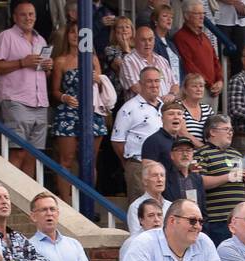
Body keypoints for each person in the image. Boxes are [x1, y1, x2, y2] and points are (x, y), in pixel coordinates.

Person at [0, 1, 53, 181]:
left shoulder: (41, 40)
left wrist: (48, 67)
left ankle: (27, 194)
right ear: (15, 17)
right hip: (16, 100)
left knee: (34, 155)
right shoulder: (6, 36)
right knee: (17, 151)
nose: (28, 18)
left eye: (31, 14)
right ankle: (9, 189)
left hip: (40, 101)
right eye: (23, 14)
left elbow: (43, 73)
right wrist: (22, 62)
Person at [49, 17, 105, 202]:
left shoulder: (93, 59)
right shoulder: (60, 61)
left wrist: (98, 80)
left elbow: (102, 86)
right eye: (72, 32)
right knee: (66, 159)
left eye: (79, 32)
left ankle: (88, 202)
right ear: (67, 35)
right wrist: (64, 97)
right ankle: (65, 203)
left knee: (89, 161)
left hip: (92, 111)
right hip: (69, 111)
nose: (75, 36)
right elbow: (55, 91)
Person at [194, 114, 245, 245]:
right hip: (218, 220)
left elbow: (244, 186)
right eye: (226, 129)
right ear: (212, 132)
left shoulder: (236, 153)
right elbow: (199, 182)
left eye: (231, 130)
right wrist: (228, 177)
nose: (230, 133)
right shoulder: (202, 153)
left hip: (239, 219)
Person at [111, 65, 165, 203]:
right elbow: (117, 140)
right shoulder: (129, 108)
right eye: (149, 81)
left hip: (163, 168)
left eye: (157, 81)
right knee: (141, 208)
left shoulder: (164, 106)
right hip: (139, 166)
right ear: (140, 84)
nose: (154, 85)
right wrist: (129, 164)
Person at [174, 2, 223, 108]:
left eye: (203, 13)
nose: (202, 17)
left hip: (213, 89)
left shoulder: (204, 37)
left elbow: (215, 60)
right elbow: (189, 65)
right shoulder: (181, 37)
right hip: (198, 89)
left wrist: (219, 80)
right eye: (197, 13)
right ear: (187, 16)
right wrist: (209, 84)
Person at [121, 23, 177, 99]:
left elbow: (175, 84)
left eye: (150, 39)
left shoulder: (162, 60)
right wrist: (160, 101)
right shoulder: (129, 61)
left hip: (167, 104)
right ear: (135, 41)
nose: (147, 43)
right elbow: (136, 88)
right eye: (143, 40)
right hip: (143, 105)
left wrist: (171, 94)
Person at [126, 159, 171, 237]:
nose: (160, 179)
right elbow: (136, 237)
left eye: (162, 175)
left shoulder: (171, 206)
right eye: (155, 175)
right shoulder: (136, 207)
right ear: (145, 181)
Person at [103, 15, 137, 103]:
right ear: (115, 32)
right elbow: (123, 68)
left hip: (136, 93)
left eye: (127, 27)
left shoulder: (137, 50)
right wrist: (125, 48)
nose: (124, 30)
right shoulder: (110, 49)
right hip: (119, 95)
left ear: (132, 31)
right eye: (120, 27)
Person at [179, 73, 214, 148]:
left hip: (206, 151)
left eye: (201, 86)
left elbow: (214, 132)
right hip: (186, 150)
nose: (199, 89)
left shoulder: (208, 109)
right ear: (185, 90)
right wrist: (204, 149)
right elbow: (182, 133)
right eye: (194, 86)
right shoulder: (178, 107)